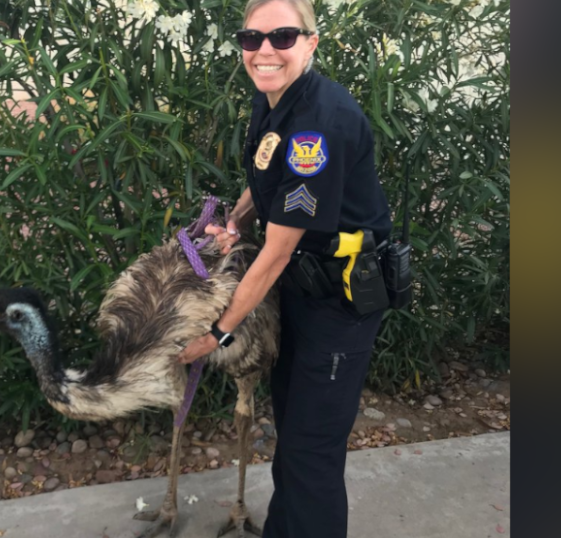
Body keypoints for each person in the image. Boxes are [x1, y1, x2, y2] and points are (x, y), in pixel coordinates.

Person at [177, 0, 393, 536]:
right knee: (291, 433)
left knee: (312, 451)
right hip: (298, 290)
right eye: (251, 39)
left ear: (312, 43)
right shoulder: (274, 98)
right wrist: (235, 220)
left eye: (282, 36)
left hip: (339, 303)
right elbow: (265, 176)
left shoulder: (319, 125)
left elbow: (276, 251)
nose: (264, 50)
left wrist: (218, 333)